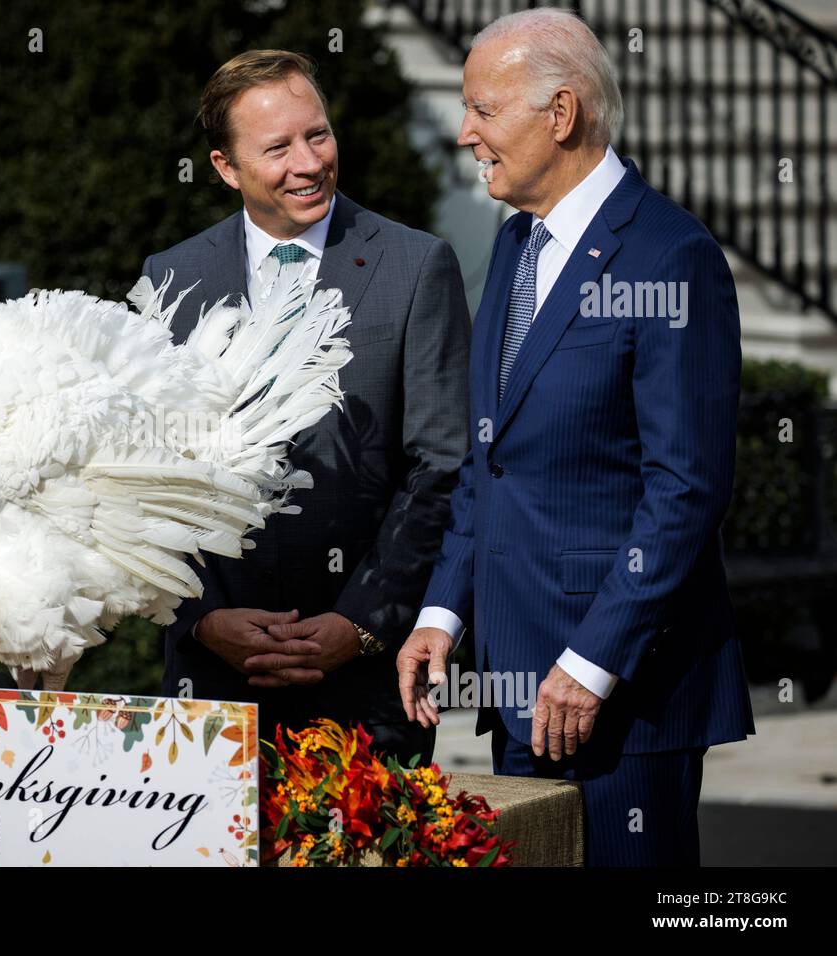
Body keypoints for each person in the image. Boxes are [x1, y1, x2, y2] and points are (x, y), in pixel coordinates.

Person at [397, 9, 754, 865]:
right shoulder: (518, 239)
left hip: (622, 702)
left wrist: (594, 662)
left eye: (483, 109)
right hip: (519, 694)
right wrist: (443, 612)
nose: (465, 133)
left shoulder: (671, 257)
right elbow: (494, 461)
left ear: (560, 114)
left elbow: (687, 490)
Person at [143, 50, 471, 764]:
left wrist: (358, 624)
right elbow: (147, 470)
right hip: (214, 680)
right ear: (226, 167)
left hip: (364, 683)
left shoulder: (417, 266)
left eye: (317, 135)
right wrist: (200, 620)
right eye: (277, 147)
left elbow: (439, 466)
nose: (308, 162)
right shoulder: (173, 276)